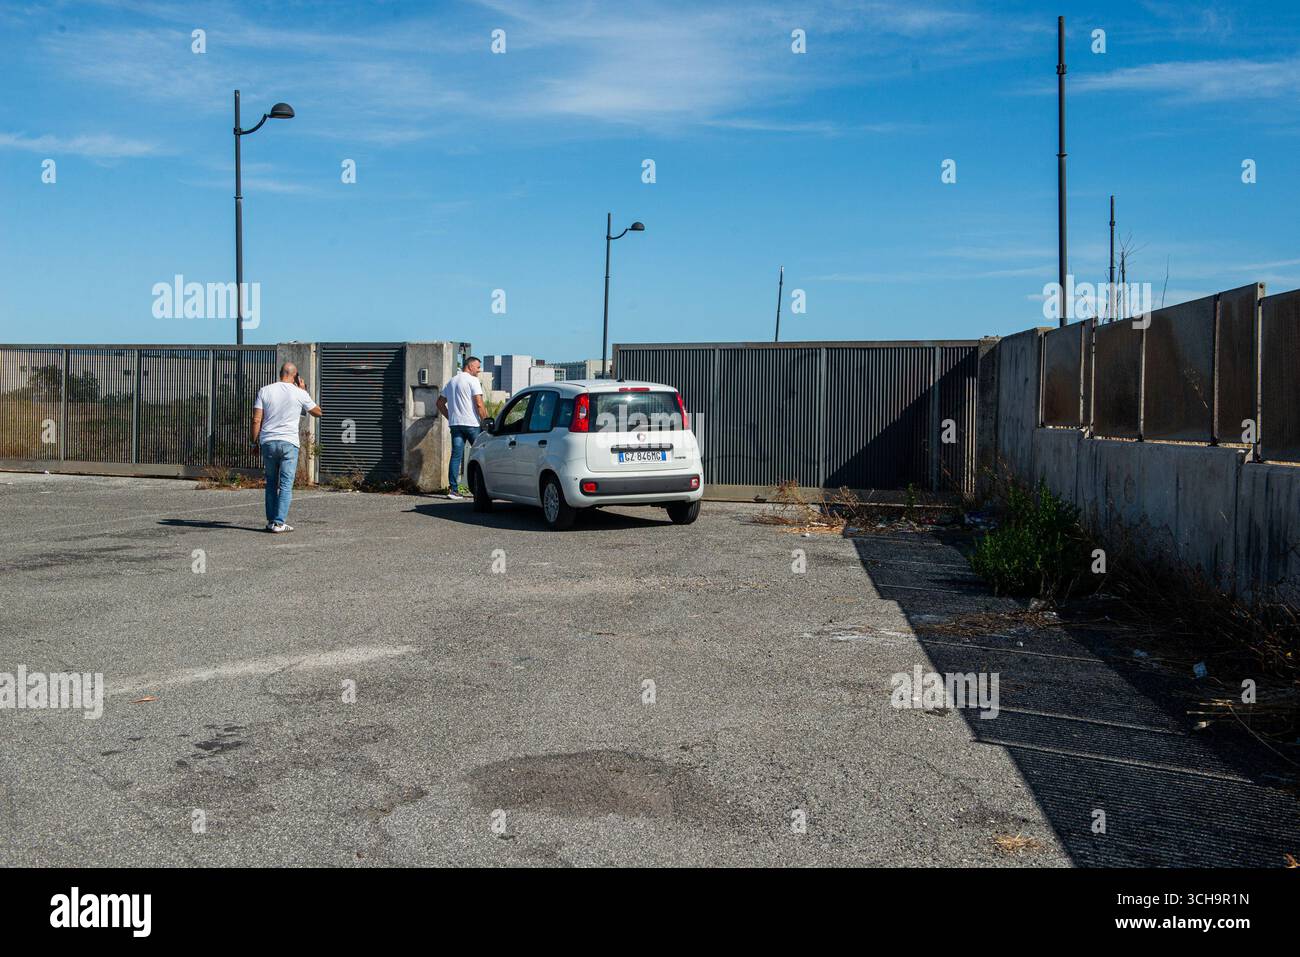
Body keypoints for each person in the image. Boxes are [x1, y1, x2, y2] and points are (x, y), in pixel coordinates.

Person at [251, 363, 322, 532]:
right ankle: (279, 523)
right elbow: (318, 412)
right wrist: (304, 390)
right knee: (285, 484)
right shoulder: (299, 393)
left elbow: (256, 420)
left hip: (268, 441)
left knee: (271, 483)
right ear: (295, 376)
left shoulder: (265, 390)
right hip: (289, 443)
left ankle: (270, 521)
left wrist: (254, 443)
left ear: (280, 373)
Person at [436, 356, 487, 500]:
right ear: (470, 366)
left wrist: (451, 417)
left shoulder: (452, 381)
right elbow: (479, 404)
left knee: (456, 456)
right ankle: (482, 490)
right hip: (472, 424)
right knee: (481, 455)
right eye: (477, 367)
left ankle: (453, 490)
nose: (479, 371)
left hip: (456, 425)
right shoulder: (473, 381)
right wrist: (487, 422)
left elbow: (439, 403)